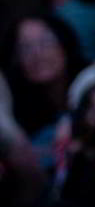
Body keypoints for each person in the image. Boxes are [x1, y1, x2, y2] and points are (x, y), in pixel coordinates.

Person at [5, 11, 84, 173]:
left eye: (46, 42)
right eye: (25, 48)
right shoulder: (17, 108)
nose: (37, 54)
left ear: (65, 44)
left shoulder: (91, 85)